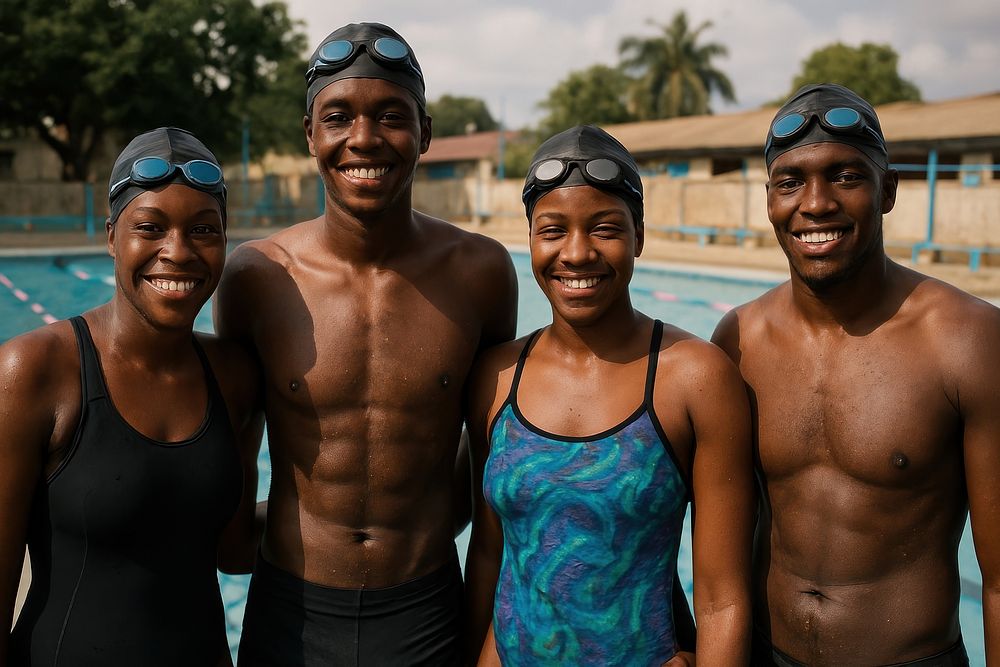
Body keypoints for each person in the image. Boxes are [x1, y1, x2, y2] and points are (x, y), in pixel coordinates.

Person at [214, 22, 518, 666]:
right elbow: (232, 465)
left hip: (425, 607)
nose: (363, 139)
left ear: (425, 133)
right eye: (337, 117)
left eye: (390, 116)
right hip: (289, 610)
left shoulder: (481, 273)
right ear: (309, 135)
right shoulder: (256, 277)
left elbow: (495, 459)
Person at [712, 83, 1000, 665]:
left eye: (845, 176)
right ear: (768, 200)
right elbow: (724, 561)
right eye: (790, 182)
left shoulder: (968, 339)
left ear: (887, 190)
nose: (815, 204)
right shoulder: (739, 340)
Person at [464, 125, 754, 666]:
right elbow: (488, 553)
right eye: (553, 231)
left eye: (605, 229)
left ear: (639, 237)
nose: (577, 253)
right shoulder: (497, 376)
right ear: (530, 238)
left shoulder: (693, 377)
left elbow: (723, 597)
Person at [0, 127, 261, 665]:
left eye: (203, 230)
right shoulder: (36, 369)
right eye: (150, 227)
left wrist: (366, 518)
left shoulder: (234, 376)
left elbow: (234, 551)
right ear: (111, 236)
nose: (179, 252)